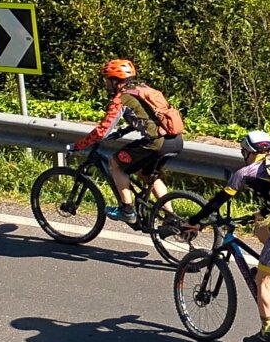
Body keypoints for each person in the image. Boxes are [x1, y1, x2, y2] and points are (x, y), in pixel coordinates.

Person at [190, 130, 270, 342]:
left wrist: (194, 220)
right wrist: (260, 213)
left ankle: (266, 331)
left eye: (243, 151)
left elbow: (217, 201)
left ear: (248, 152)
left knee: (264, 279)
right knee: (261, 230)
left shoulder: (245, 172)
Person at [68, 59, 184, 226]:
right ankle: (170, 217)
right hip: (175, 141)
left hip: (155, 143)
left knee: (115, 163)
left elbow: (103, 130)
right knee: (148, 174)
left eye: (107, 80)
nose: (105, 83)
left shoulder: (122, 98)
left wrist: (79, 145)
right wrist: (124, 131)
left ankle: (127, 210)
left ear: (115, 80)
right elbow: (150, 118)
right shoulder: (144, 89)